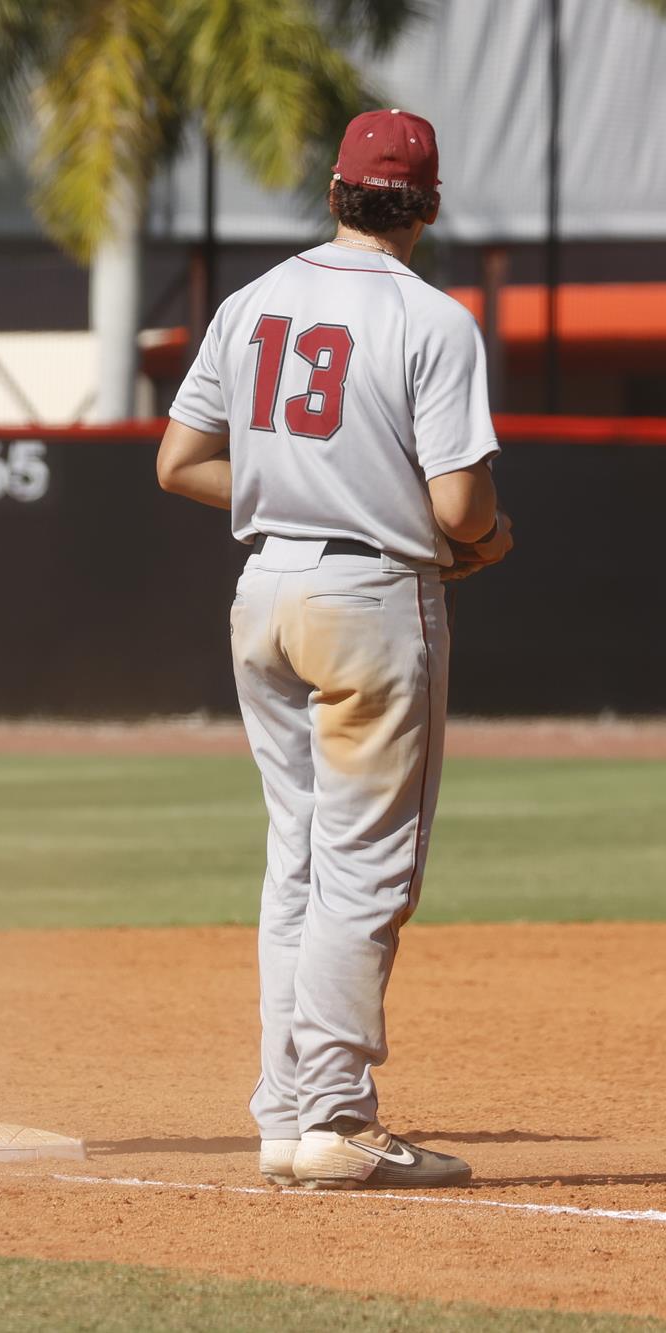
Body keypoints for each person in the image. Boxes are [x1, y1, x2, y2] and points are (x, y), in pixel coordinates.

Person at [156, 110, 513, 1190]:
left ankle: (282, 1112)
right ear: (429, 206)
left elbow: (178, 461)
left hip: (262, 590)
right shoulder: (431, 318)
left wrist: (286, 493)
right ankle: (334, 1115)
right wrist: (488, 538)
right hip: (365, 597)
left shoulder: (250, 300)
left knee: (297, 859)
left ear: (332, 191)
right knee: (361, 869)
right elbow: (457, 504)